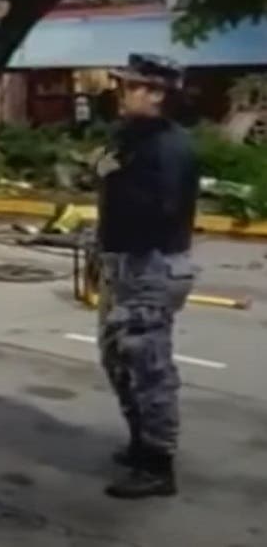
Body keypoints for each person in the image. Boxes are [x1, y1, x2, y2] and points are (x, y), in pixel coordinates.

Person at [96, 53, 199, 500]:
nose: (121, 93)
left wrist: (117, 181)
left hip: (150, 264)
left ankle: (158, 465)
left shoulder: (170, 147)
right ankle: (141, 444)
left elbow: (161, 210)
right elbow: (105, 173)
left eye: (131, 87)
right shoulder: (131, 137)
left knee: (149, 365)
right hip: (124, 263)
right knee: (119, 359)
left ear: (157, 93)